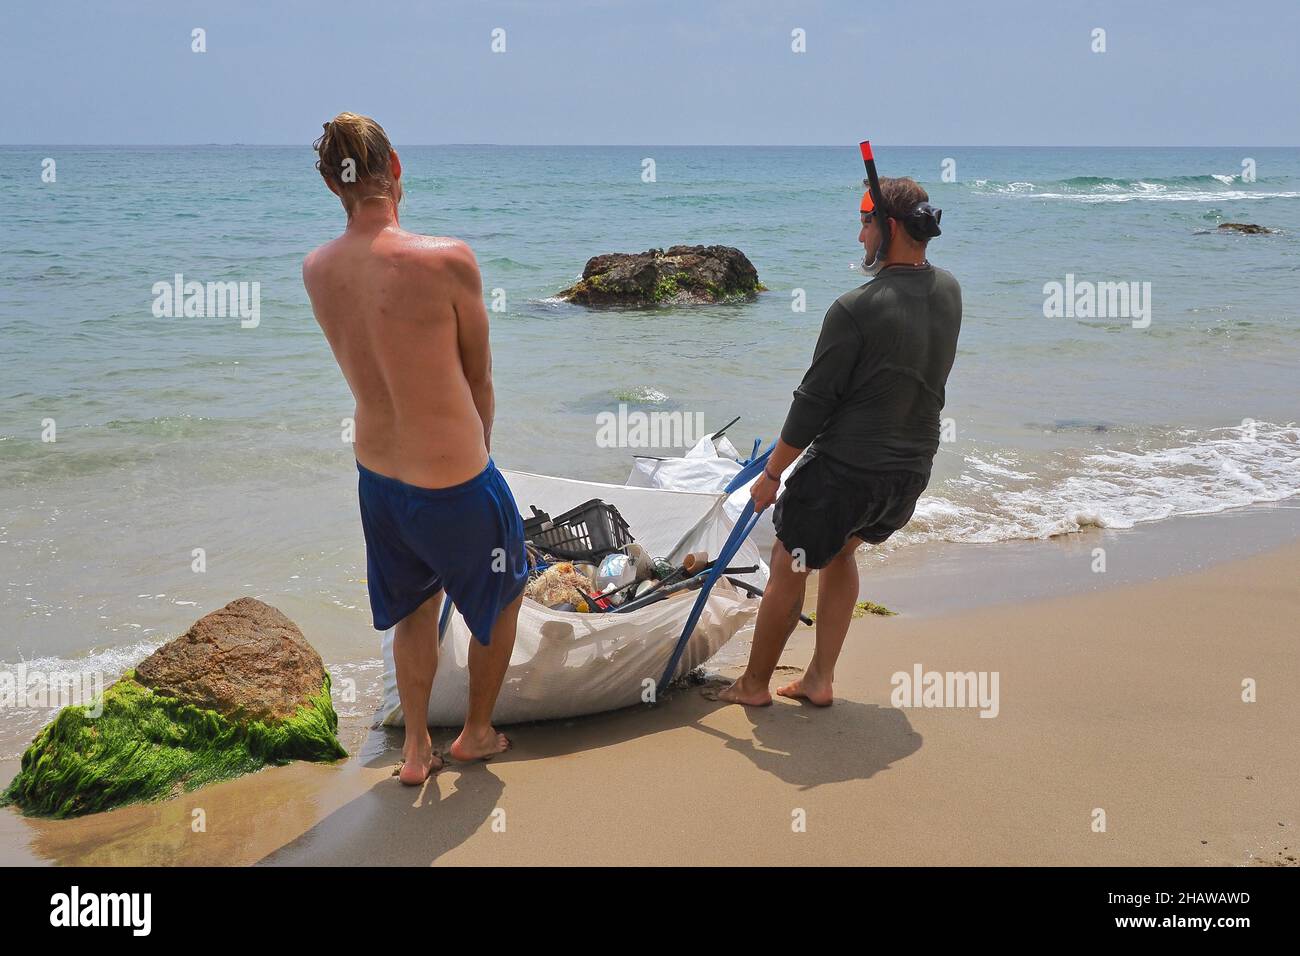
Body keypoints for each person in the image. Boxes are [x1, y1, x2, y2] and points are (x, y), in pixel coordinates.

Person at [302, 113, 526, 781]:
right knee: (504, 592)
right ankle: (477, 733)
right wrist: (481, 462)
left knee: (412, 609)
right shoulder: (449, 260)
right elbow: (478, 379)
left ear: (329, 184)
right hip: (453, 476)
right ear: (396, 168)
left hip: (378, 477)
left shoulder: (317, 269)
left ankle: (416, 748)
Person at [719, 175, 961, 707]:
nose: (859, 238)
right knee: (842, 552)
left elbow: (812, 404)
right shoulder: (949, 290)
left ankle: (753, 685)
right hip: (909, 473)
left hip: (848, 473)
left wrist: (772, 473)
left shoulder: (855, 308)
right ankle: (819, 678)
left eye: (864, 223)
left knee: (791, 559)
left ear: (889, 227)